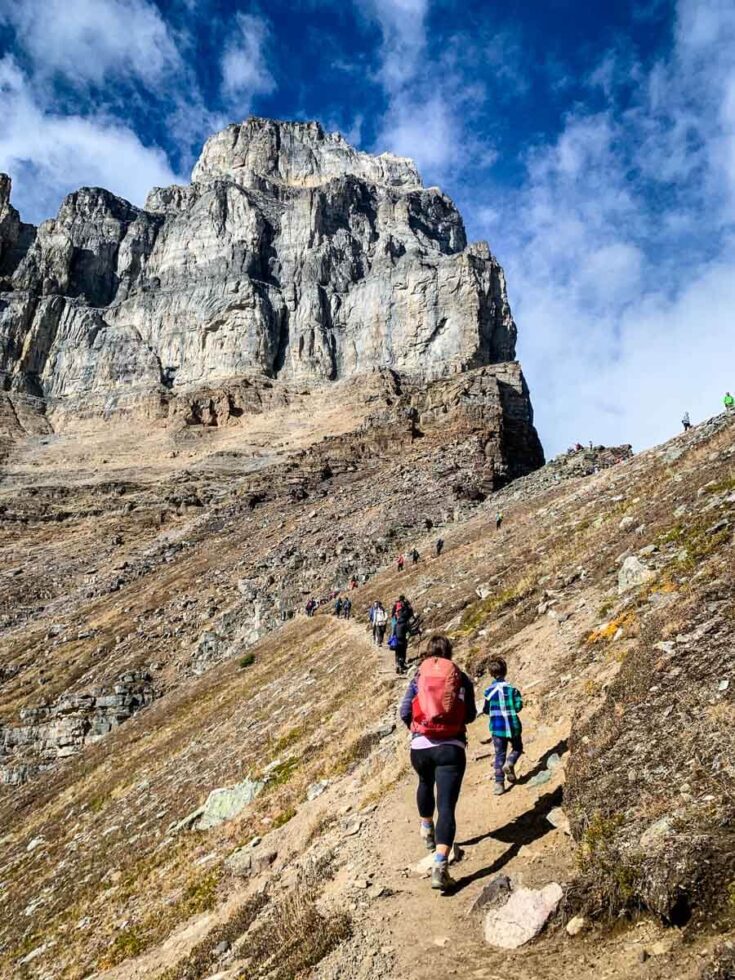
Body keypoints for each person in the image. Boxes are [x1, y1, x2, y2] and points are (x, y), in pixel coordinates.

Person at [399, 635, 477, 891]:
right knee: (447, 807)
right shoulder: (460, 677)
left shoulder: (417, 677)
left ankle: (425, 827)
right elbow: (471, 714)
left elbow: (404, 712)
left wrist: (417, 730)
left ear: (427, 654)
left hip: (420, 747)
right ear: (450, 653)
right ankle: (440, 866)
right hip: (451, 748)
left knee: (424, 782)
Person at [483, 656, 523, 796]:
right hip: (513, 726)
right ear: (505, 671)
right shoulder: (512, 690)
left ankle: (499, 784)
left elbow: (486, 710)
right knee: (517, 748)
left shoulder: (489, 692)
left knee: (499, 754)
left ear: (491, 673)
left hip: (497, 728)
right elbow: (518, 707)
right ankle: (510, 762)